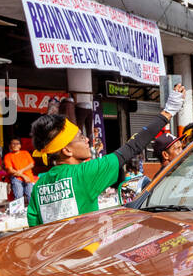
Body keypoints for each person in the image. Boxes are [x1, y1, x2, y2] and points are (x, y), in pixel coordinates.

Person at [28, 84, 184, 226]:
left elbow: (34, 227)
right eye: (81, 137)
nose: (87, 139)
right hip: (85, 254)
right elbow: (133, 146)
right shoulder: (85, 173)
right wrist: (168, 111)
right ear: (67, 150)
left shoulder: (39, 186)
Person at [2, 137, 37, 202]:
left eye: (17, 143)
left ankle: (31, 211)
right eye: (13, 144)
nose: (15, 145)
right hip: (16, 178)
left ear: (20, 145)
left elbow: (32, 164)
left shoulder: (25, 153)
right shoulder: (8, 156)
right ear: (10, 146)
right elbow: (10, 170)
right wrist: (23, 176)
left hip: (29, 178)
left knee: (31, 196)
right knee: (18, 197)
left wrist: (21, 171)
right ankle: (20, 211)